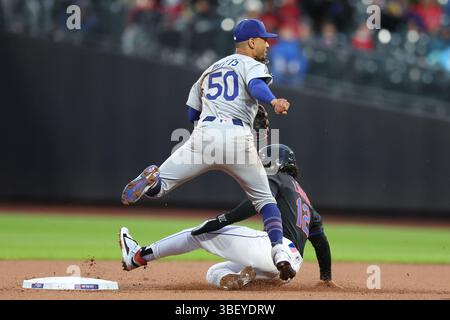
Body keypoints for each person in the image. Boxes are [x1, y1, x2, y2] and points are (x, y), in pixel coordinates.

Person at [120, 19, 294, 278]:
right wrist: (271, 100)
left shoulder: (210, 69)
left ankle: (151, 180)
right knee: (265, 200)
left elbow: (192, 113)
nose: (267, 44)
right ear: (252, 42)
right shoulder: (251, 64)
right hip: (237, 137)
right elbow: (257, 86)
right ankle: (278, 250)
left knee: (160, 189)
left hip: (204, 134)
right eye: (264, 39)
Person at [118, 144, 338, 290]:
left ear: (276, 163)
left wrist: (223, 219)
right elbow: (321, 241)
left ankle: (137, 256)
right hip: (288, 267)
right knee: (215, 271)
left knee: (201, 233)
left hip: (272, 249)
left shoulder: (278, 179)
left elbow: (258, 203)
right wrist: (326, 278)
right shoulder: (306, 201)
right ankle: (238, 281)